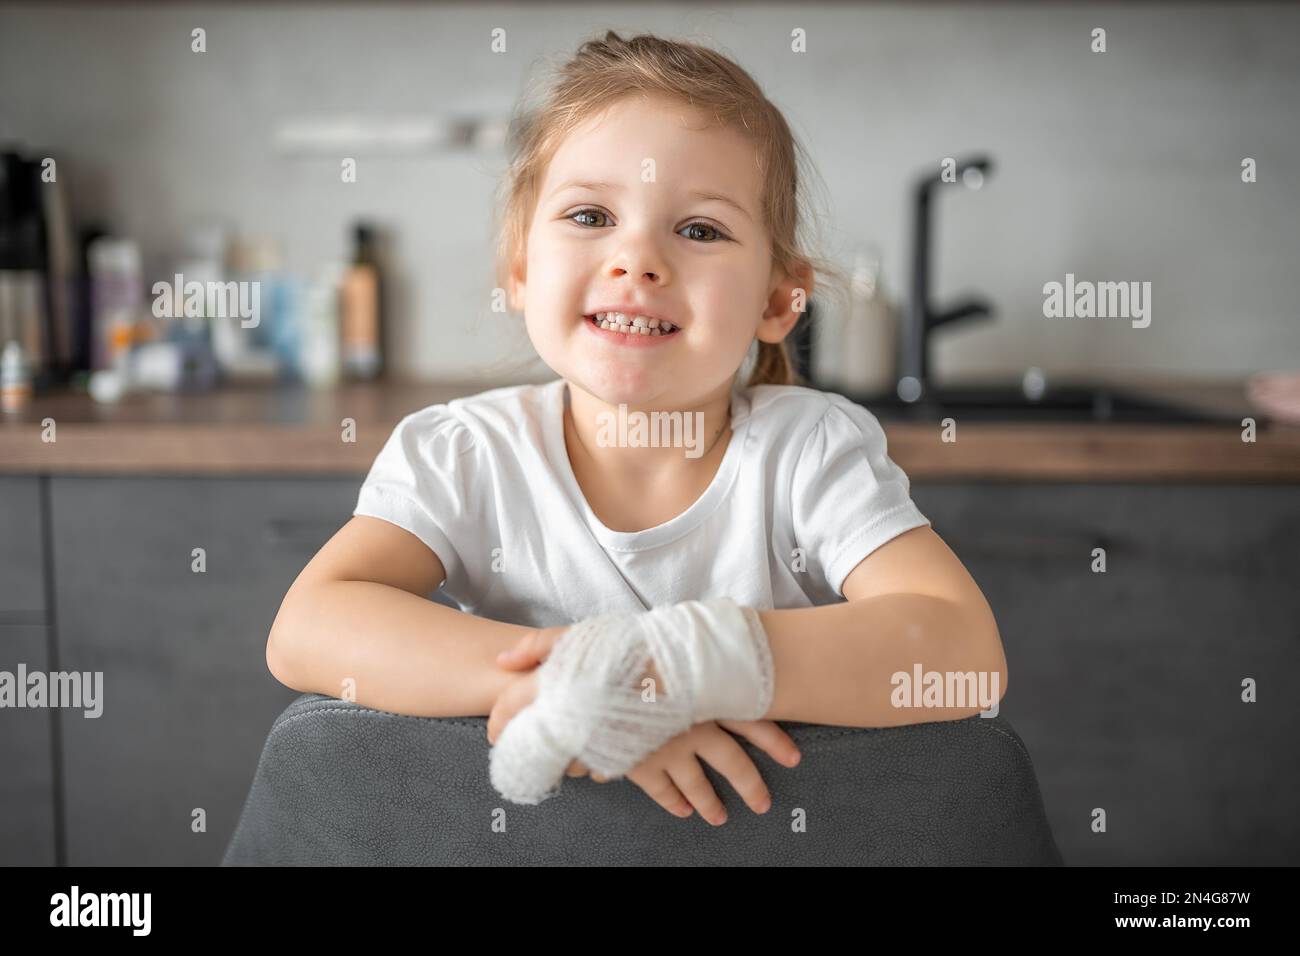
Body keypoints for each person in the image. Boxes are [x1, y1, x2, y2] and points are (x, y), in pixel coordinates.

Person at [267, 30, 1006, 826]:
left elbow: (963, 655)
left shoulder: (809, 452)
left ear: (776, 300)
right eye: (590, 215)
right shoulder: (461, 454)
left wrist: (673, 671)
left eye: (699, 230)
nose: (637, 259)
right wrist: (577, 689)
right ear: (518, 267)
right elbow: (309, 627)